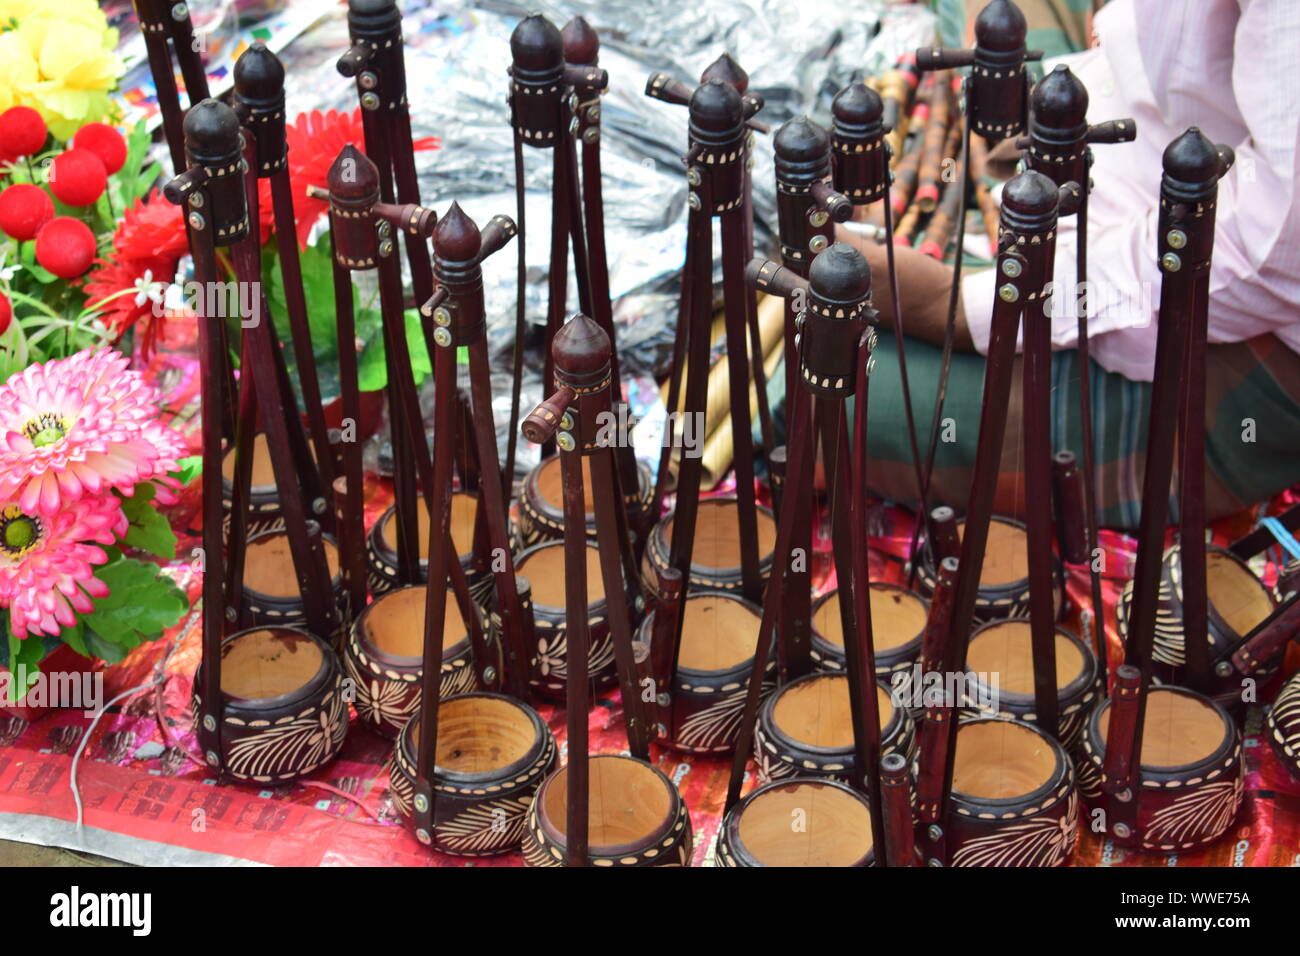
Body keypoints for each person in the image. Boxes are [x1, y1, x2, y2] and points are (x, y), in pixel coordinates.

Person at [841, 0, 1300, 529]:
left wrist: (971, 306)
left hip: (1235, 319)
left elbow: (1277, 252)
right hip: (1137, 138)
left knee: (827, 399)